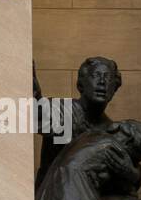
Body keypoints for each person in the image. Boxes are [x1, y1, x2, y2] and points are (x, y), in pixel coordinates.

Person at [32, 56, 122, 189]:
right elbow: (36, 111)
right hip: (53, 196)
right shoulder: (62, 110)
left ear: (114, 89)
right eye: (96, 75)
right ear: (81, 84)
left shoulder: (112, 131)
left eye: (108, 78)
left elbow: (125, 176)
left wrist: (132, 174)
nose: (102, 82)